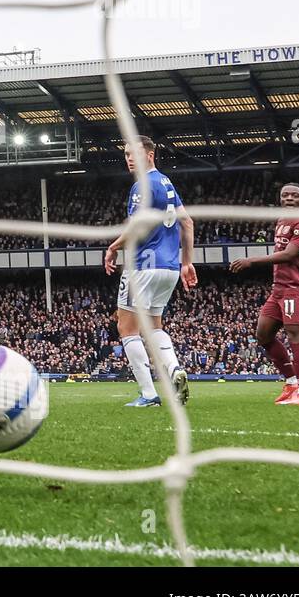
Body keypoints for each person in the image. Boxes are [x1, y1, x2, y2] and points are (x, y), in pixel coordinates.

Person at [102, 137, 195, 407]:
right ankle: (174, 369)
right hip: (168, 268)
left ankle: (148, 394)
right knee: (154, 326)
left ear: (150, 155)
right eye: (127, 154)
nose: (130, 159)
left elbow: (137, 229)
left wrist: (113, 247)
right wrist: (186, 262)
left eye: (135, 154)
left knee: (127, 327)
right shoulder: (166, 182)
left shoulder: (141, 186)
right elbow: (187, 222)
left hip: (143, 265)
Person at [229, 182, 299, 405]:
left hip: (296, 289)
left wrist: (251, 260)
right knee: (263, 334)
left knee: (296, 337)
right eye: (285, 195)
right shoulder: (281, 221)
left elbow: (289, 255)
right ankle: (290, 384)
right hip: (278, 290)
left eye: (294, 195)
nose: (289, 198)